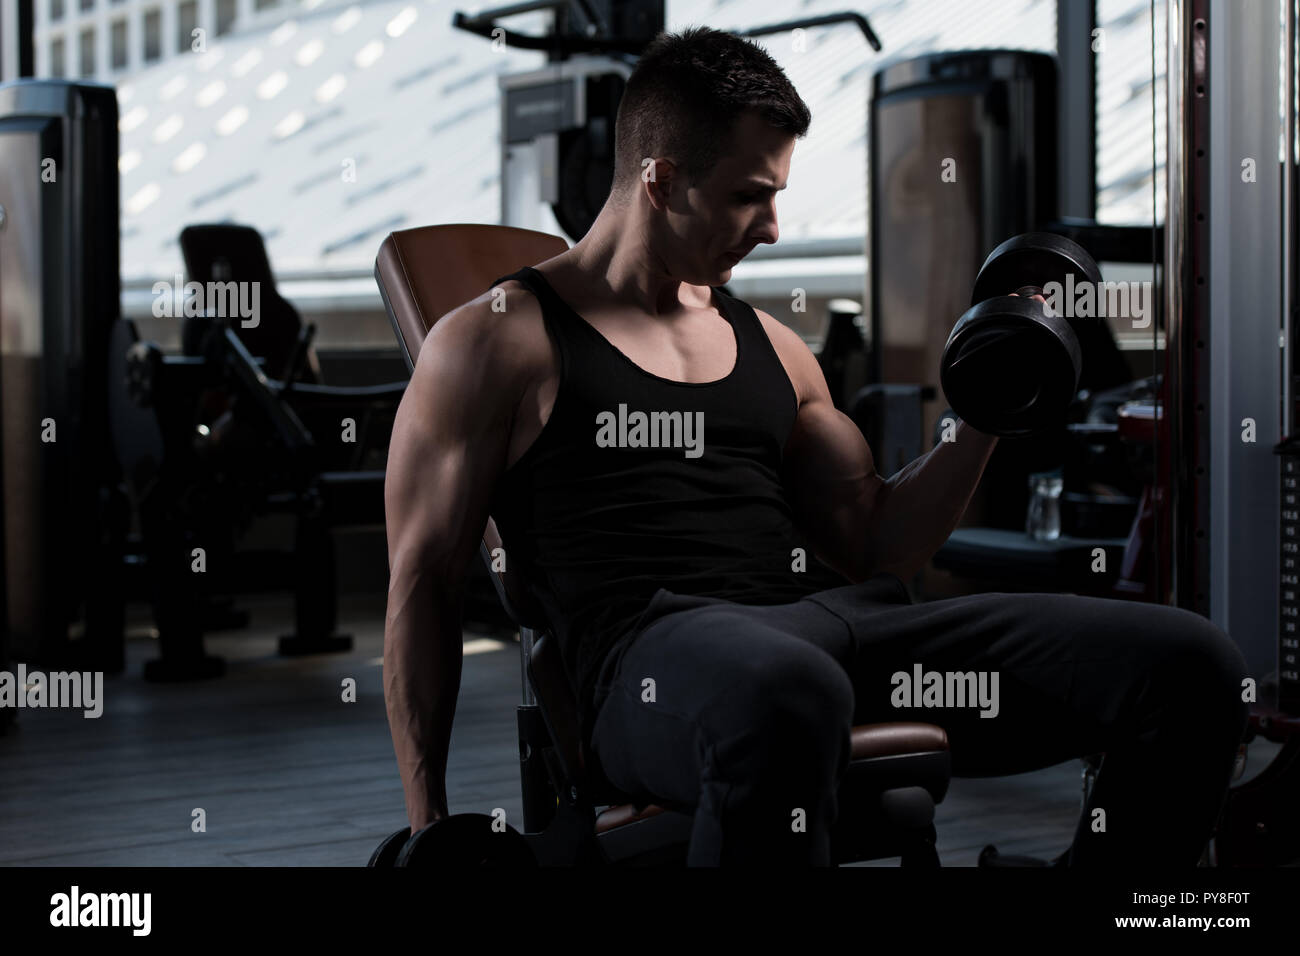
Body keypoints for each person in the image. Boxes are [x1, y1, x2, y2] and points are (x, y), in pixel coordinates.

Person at [383, 26, 1249, 866]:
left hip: (842, 639)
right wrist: (431, 829)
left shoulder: (775, 348)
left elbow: (879, 541)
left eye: (778, 196)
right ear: (660, 180)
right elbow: (423, 585)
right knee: (785, 692)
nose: (771, 228)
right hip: (654, 668)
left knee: (1189, 667)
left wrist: (986, 413)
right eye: (748, 196)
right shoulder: (498, 341)